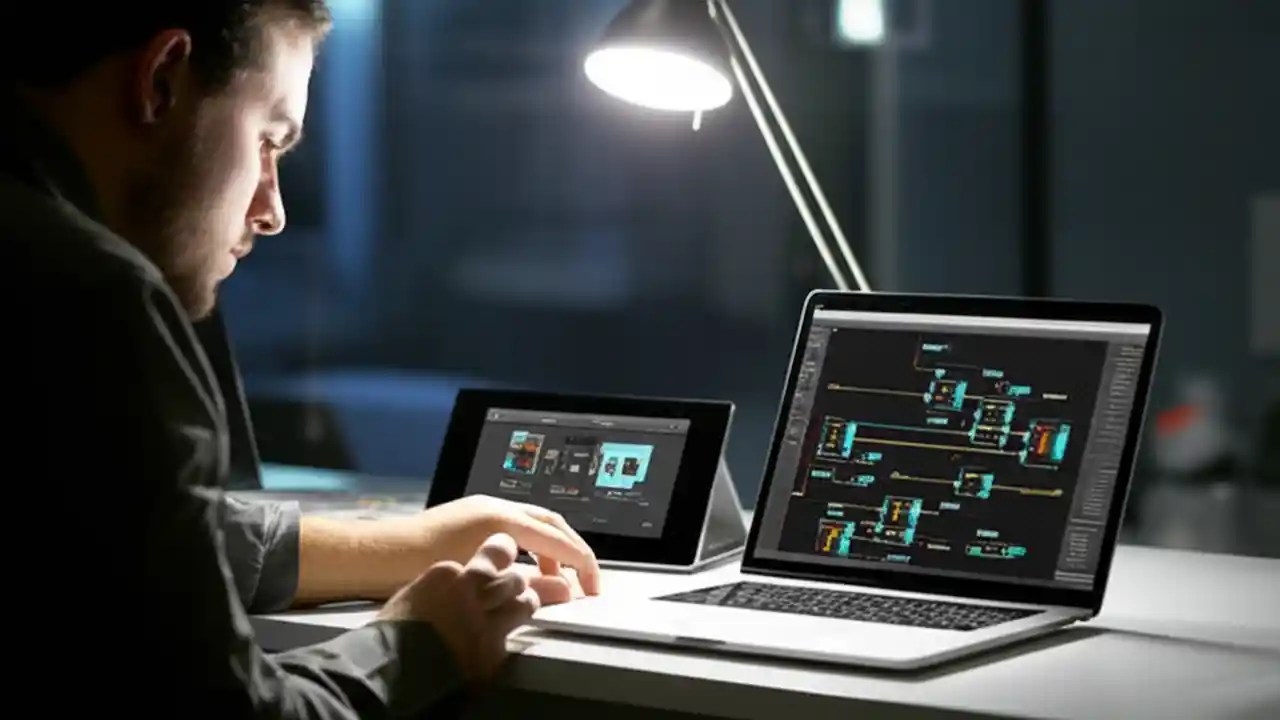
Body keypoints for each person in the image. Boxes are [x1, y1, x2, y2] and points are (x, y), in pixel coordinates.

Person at [5, 1, 599, 716]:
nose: (272, 210)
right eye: (269, 140)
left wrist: (394, 546)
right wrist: (421, 640)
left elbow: (109, 525)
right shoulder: (91, 296)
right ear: (162, 81)